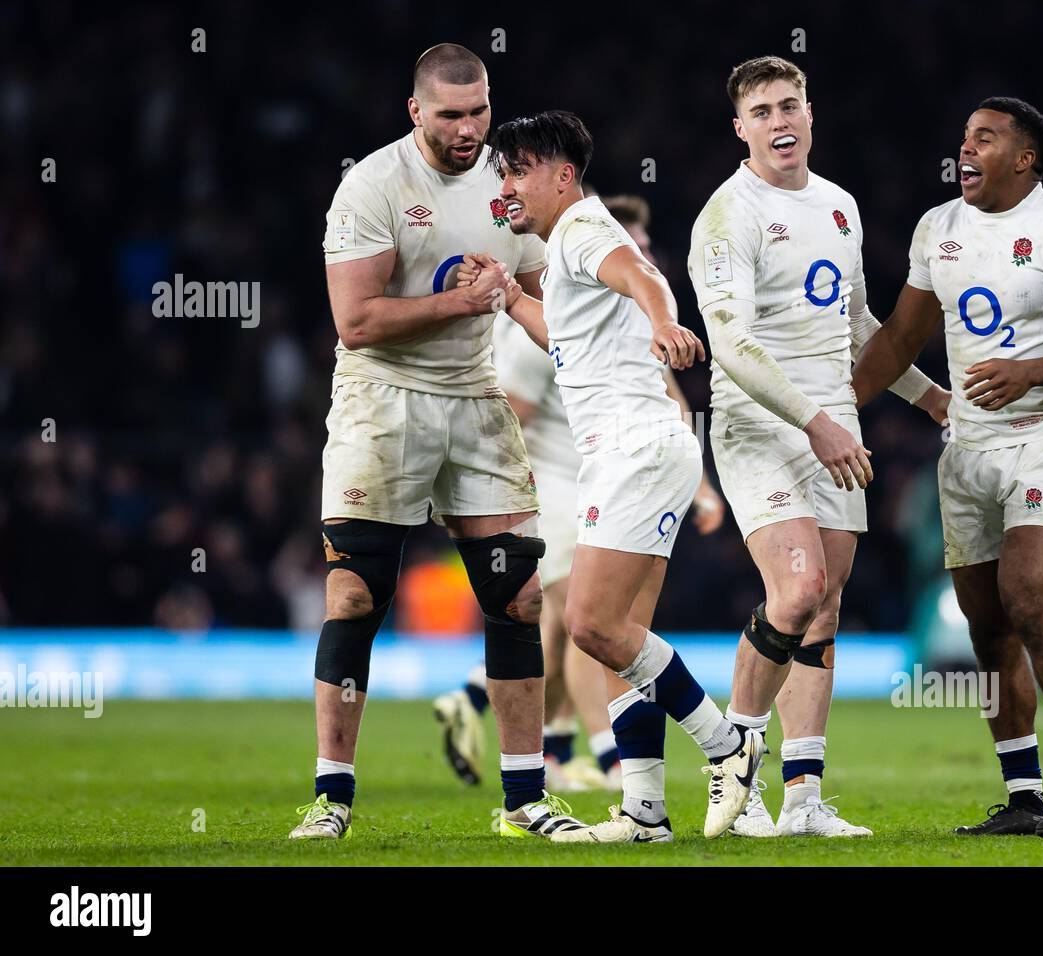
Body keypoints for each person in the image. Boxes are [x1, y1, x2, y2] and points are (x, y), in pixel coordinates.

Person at [291, 44, 586, 842]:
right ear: (415, 111)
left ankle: (525, 801)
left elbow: (538, 285)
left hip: (474, 398)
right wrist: (461, 306)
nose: (469, 128)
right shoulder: (374, 187)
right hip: (382, 402)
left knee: (519, 596)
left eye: (479, 110)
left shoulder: (508, 182)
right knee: (355, 594)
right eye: (451, 114)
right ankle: (331, 799)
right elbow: (356, 322)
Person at [850, 97, 1043, 836]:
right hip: (966, 451)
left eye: (985, 138)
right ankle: (1022, 796)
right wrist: (832, 413)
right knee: (988, 631)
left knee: (1030, 602)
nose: (965, 149)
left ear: (1025, 158)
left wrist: (1032, 372)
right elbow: (901, 338)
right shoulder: (937, 228)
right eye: (963, 138)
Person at [478, 110, 764, 842]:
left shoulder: (580, 227)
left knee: (591, 626)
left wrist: (666, 322)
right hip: (637, 450)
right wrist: (513, 301)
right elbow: (569, 340)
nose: (507, 185)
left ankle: (729, 746)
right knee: (621, 637)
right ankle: (644, 810)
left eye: (518, 169)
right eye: (501, 171)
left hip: (633, 449)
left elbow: (644, 274)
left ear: (562, 174)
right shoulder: (565, 243)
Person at [689, 56, 948, 837]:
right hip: (760, 427)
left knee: (826, 610)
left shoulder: (839, 207)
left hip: (834, 429)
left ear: (811, 113)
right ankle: (732, 770)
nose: (779, 122)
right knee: (796, 591)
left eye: (789, 105)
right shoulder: (725, 215)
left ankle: (803, 797)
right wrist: (816, 420)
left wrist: (927, 393)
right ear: (740, 128)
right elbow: (728, 342)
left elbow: (860, 327)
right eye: (762, 111)